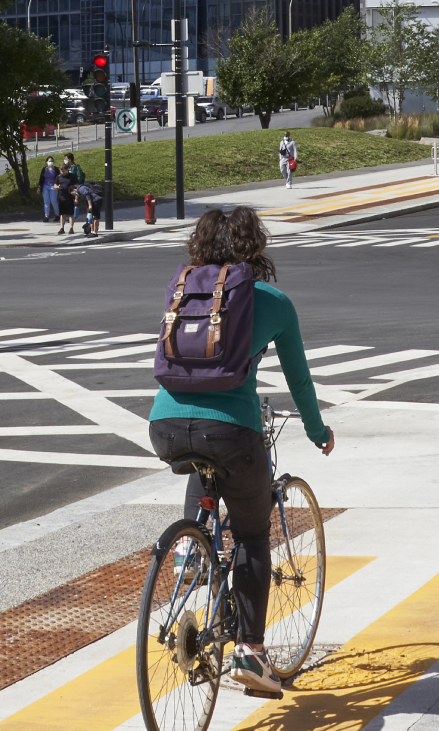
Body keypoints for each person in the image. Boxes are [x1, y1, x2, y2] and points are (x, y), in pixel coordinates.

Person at [147, 206, 335, 694]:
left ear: (200, 244)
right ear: (256, 245)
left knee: (200, 456)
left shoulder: (183, 285)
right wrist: (318, 432)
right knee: (252, 535)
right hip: (232, 432)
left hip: (165, 426)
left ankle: (191, 550)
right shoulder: (270, 299)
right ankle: (251, 653)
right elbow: (299, 379)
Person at [55, 163, 77, 235]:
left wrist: (74, 193)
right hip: (61, 197)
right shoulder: (58, 177)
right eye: (61, 171)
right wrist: (57, 187)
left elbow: (76, 185)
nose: (62, 172)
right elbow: (55, 185)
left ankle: (71, 228)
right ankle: (62, 228)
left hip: (69, 197)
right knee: (62, 214)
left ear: (67, 170)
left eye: (63, 171)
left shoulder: (72, 176)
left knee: (71, 214)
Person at [38, 156, 59, 222]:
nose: (50, 162)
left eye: (52, 161)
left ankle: (57, 215)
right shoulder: (44, 169)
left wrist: (57, 184)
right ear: (46, 162)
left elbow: (58, 178)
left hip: (53, 186)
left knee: (53, 201)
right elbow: (41, 178)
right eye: (49, 161)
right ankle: (46, 216)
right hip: (45, 186)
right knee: (46, 201)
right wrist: (39, 187)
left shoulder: (56, 169)